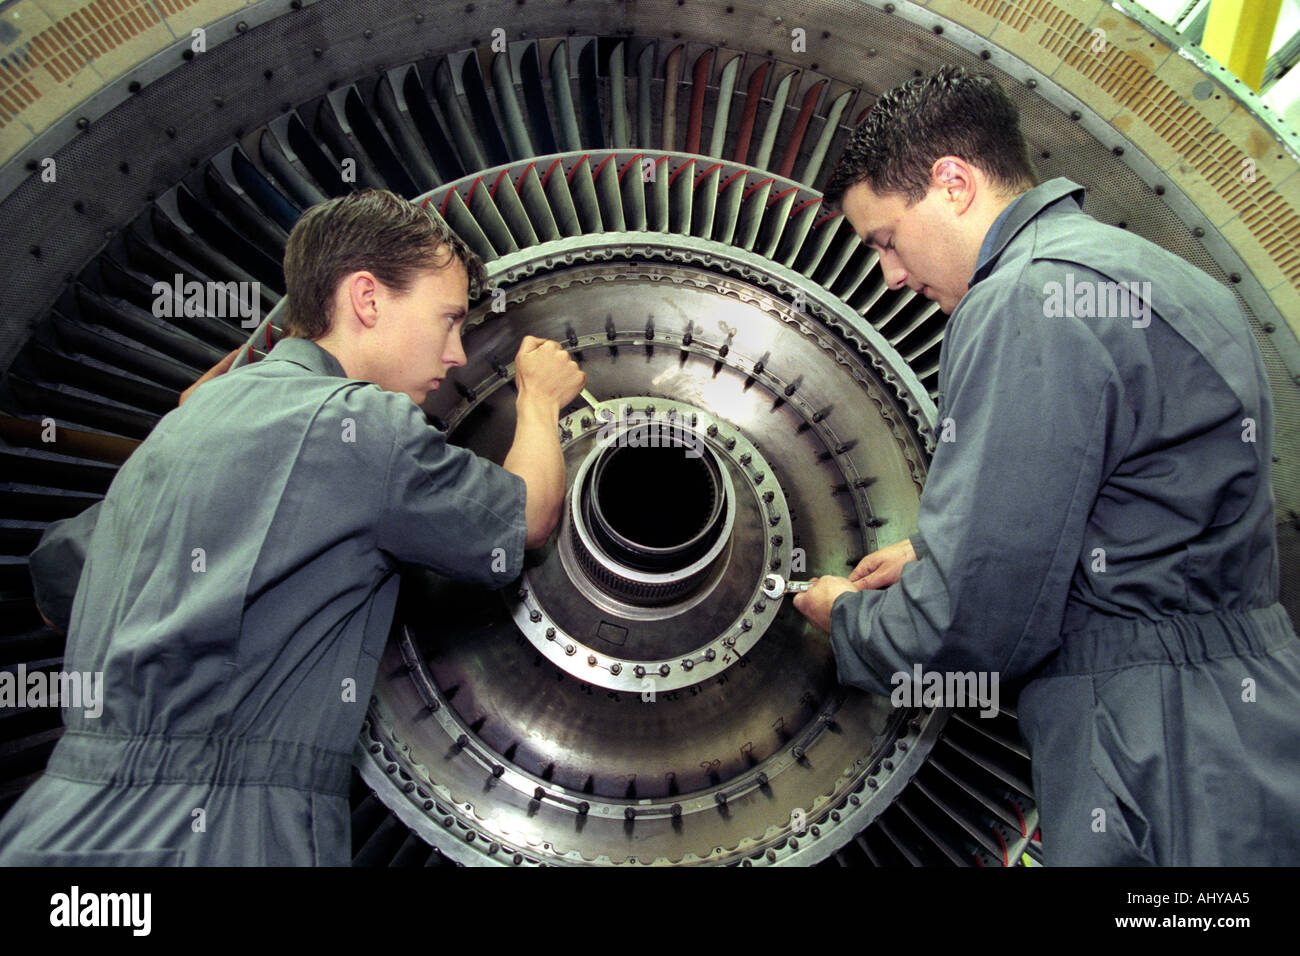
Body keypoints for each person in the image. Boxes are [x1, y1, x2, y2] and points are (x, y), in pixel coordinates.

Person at [792, 66, 1300, 865]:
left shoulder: (1026, 299)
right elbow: (1140, 503)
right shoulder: (1173, 279)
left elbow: (974, 623)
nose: (889, 274)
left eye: (886, 239)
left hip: (1146, 744)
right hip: (1254, 720)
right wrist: (934, 553)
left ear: (952, 183)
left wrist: (848, 621)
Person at [0, 188, 584, 865]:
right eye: (448, 319)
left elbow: (57, 585)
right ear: (367, 299)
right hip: (222, 833)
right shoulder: (363, 426)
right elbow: (524, 520)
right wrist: (540, 402)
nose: (456, 352)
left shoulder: (188, 422)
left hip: (58, 829)